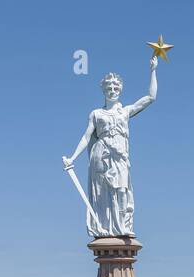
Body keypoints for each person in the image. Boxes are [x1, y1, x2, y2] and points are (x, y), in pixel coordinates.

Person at [62, 56, 159, 237]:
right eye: (109, 88)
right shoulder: (96, 114)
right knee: (103, 194)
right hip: (101, 154)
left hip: (120, 156)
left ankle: (122, 226)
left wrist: (153, 70)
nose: (112, 90)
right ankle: (106, 227)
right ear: (103, 91)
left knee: (122, 190)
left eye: (115, 87)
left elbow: (151, 97)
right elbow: (86, 137)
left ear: (120, 90)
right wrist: (72, 158)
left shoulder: (126, 111)